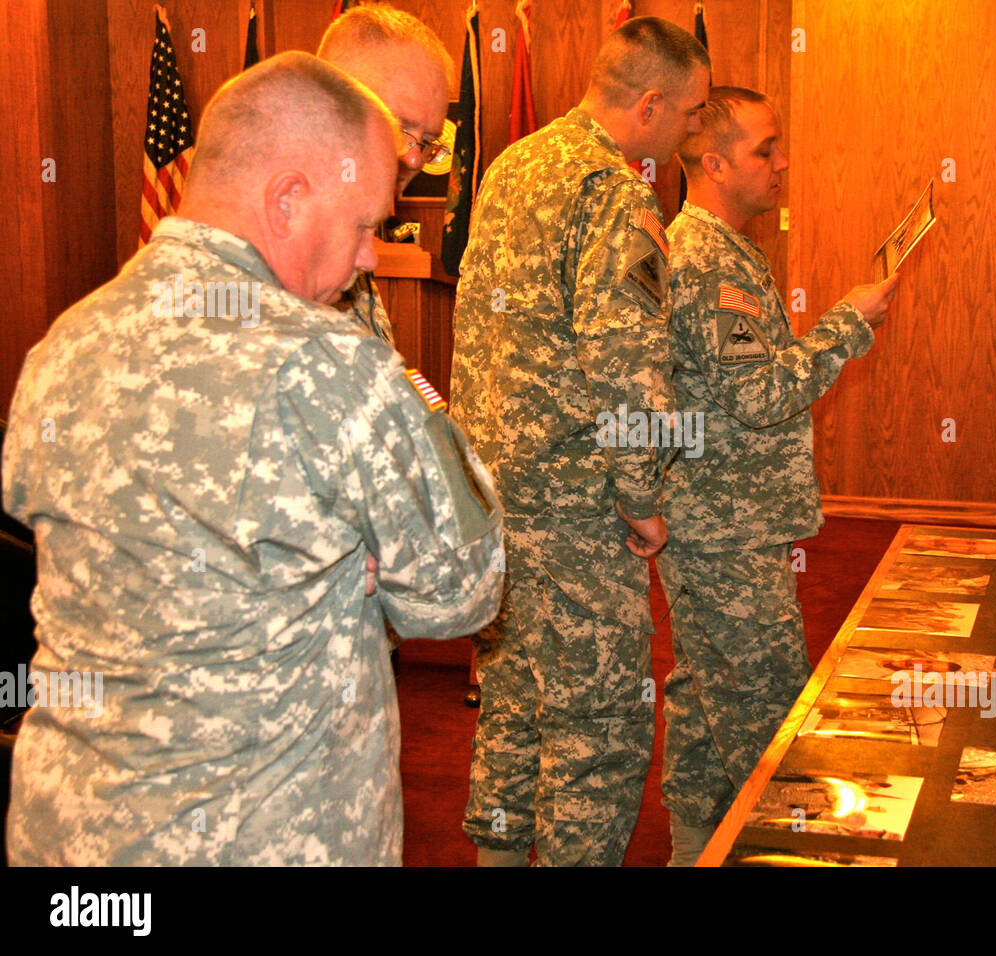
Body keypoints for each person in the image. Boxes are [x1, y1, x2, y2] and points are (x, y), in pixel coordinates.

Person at [2, 52, 503, 866]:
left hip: (74, 848)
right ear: (289, 199)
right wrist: (354, 559)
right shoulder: (335, 368)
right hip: (267, 840)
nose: (371, 257)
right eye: (366, 226)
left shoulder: (61, 346)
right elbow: (462, 590)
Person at [452, 16, 710, 866]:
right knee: (597, 732)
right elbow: (629, 366)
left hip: (492, 502)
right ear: (649, 103)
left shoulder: (511, 165)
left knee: (513, 709)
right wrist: (644, 503)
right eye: (692, 112)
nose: (694, 131)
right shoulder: (614, 192)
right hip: (575, 515)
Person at [658, 86, 901, 866]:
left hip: (718, 525)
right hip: (725, 532)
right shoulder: (702, 258)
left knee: (703, 707)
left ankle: (696, 849)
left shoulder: (725, 251)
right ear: (715, 162)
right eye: (766, 148)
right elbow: (759, 394)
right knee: (768, 715)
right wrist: (847, 322)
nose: (782, 161)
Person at [318, 2, 455, 348]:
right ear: (329, 102)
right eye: (398, 127)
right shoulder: (276, 256)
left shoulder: (352, 249)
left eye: (427, 142)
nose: (413, 158)